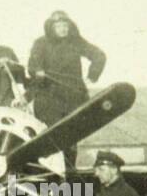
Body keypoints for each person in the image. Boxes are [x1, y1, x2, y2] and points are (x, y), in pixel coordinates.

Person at [26, 10, 106, 170]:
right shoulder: (40, 43)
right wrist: (38, 72)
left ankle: (69, 176)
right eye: (58, 26)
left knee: (70, 142)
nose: (63, 29)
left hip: (73, 99)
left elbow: (99, 55)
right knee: (50, 142)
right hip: (49, 100)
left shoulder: (76, 42)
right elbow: (32, 66)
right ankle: (50, 176)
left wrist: (92, 75)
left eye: (65, 25)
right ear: (51, 27)